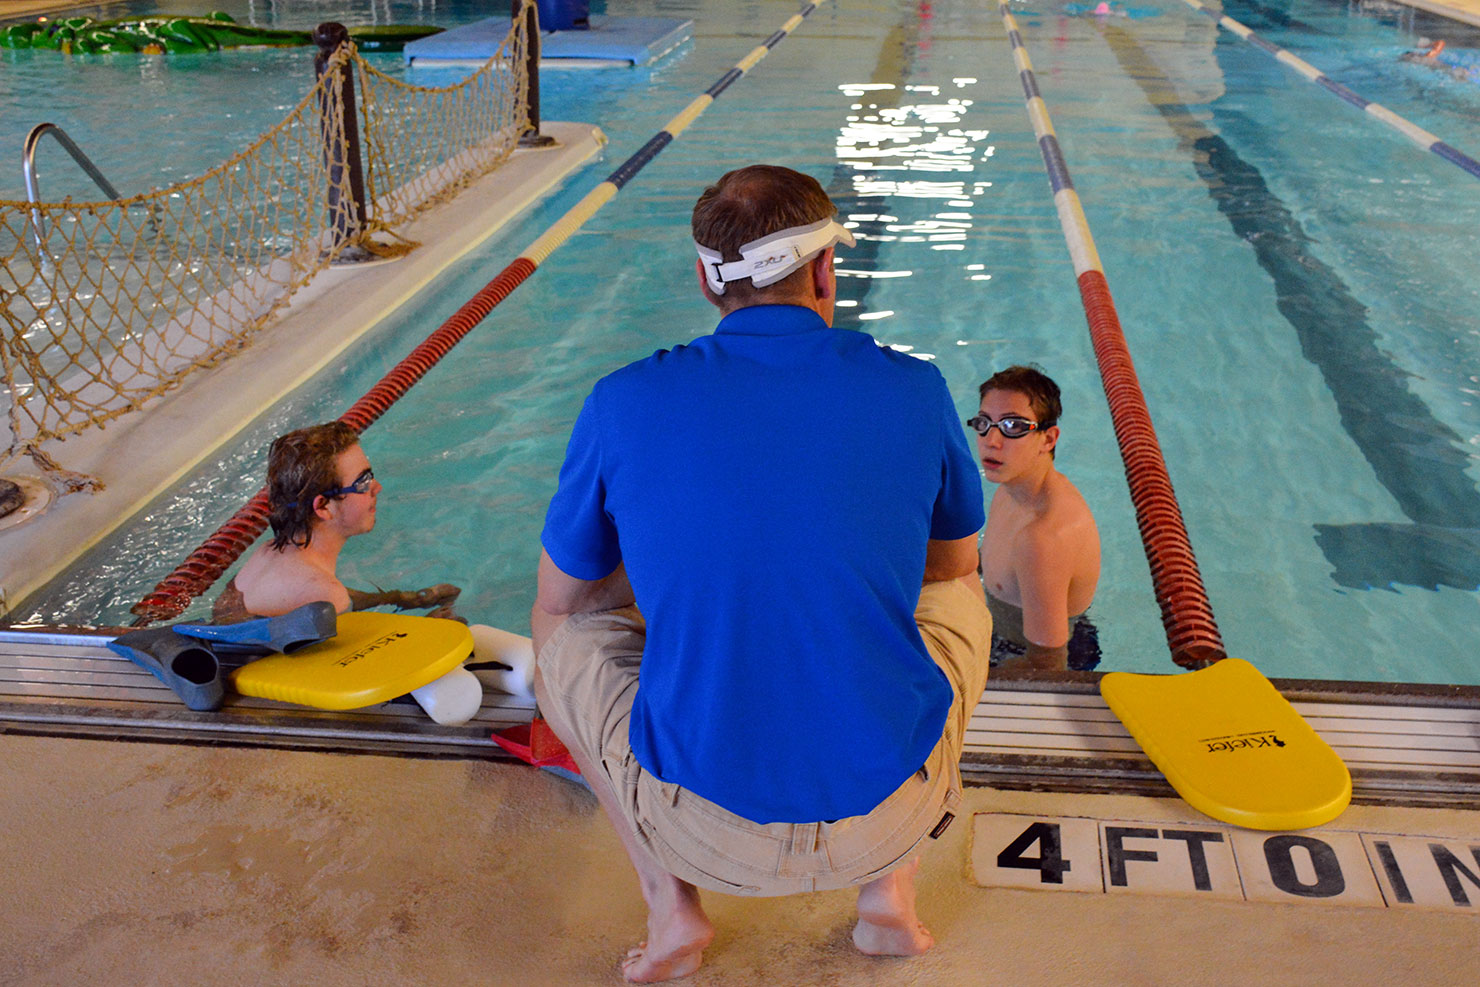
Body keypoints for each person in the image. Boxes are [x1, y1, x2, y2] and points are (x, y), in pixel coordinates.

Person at [531, 164, 991, 983]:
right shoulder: (917, 389)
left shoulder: (621, 399)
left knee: (562, 632)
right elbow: (951, 565)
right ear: (824, 270)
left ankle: (671, 910)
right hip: (893, 810)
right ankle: (888, 895)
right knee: (960, 598)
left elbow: (564, 598)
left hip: (698, 829)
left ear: (706, 281)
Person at [213, 421, 460, 621]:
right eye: (363, 482)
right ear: (323, 507)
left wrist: (396, 599)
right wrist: (431, 625)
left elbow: (308, 598)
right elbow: (354, 670)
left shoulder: (269, 553)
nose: (377, 487)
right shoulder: (326, 594)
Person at [971, 366, 1101, 671]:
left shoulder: (1043, 539)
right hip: (1013, 632)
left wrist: (968, 673)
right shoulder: (1011, 489)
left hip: (1040, 656)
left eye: (1013, 426)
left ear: (1048, 439)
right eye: (984, 423)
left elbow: (1047, 666)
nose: (991, 440)